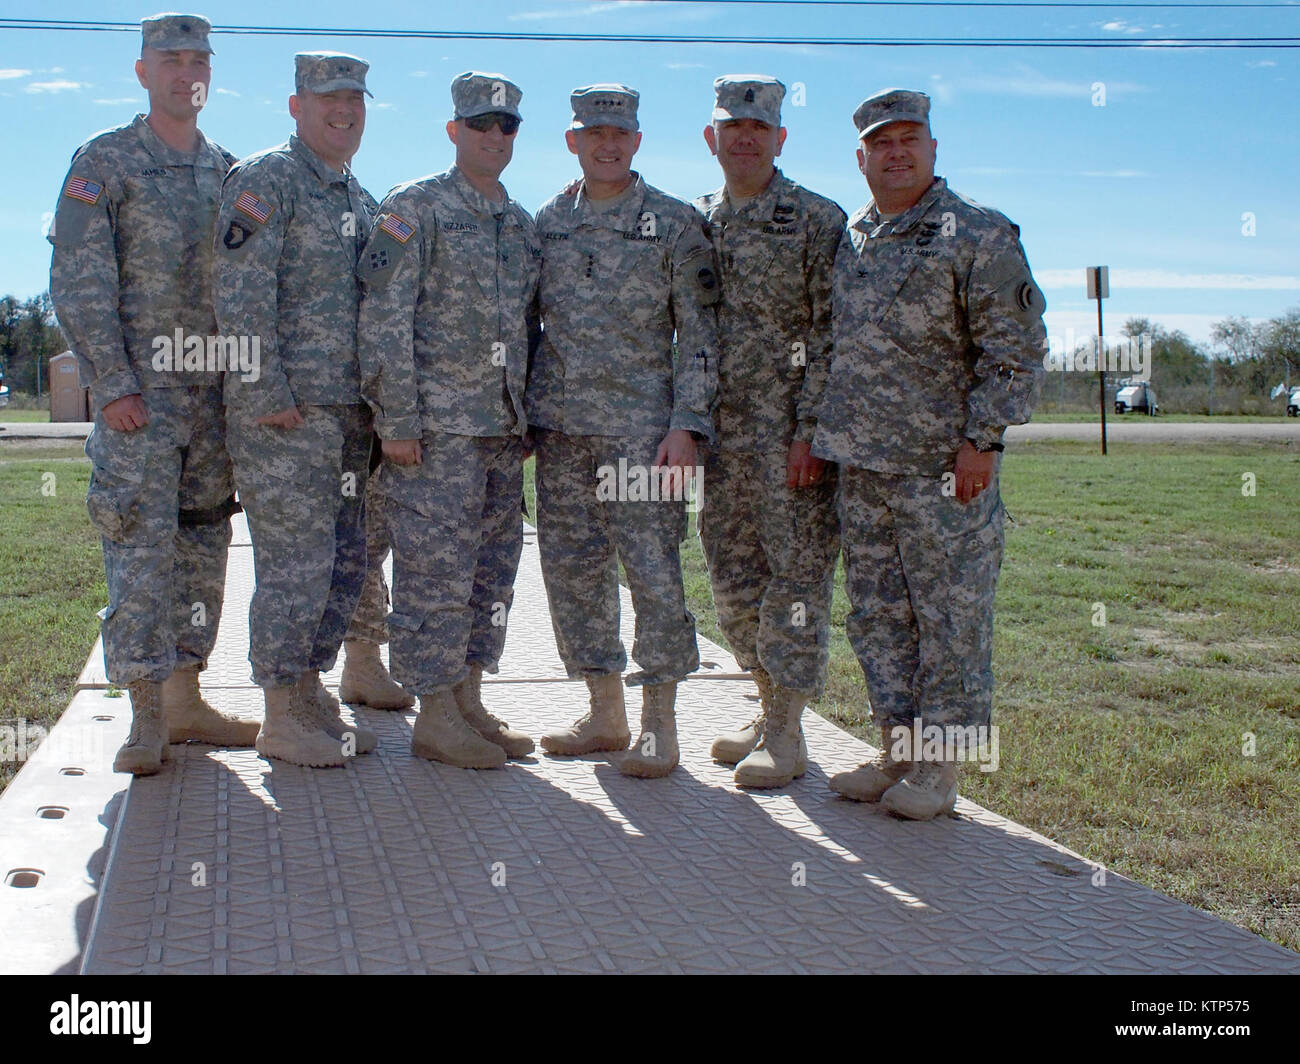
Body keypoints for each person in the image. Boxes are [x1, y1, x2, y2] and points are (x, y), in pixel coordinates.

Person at [813, 89, 1046, 819]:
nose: (896, 153)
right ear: (862, 158)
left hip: (945, 473)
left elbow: (1015, 350)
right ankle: (901, 751)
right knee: (879, 616)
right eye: (881, 143)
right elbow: (835, 349)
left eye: (909, 139)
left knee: (951, 620)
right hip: (865, 468)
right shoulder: (853, 237)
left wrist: (984, 441)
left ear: (933, 149)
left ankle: (943, 773)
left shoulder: (976, 232)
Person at [48, 12, 256, 776]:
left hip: (212, 404)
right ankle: (142, 716)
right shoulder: (105, 160)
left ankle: (186, 698)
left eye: (197, 57)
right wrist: (111, 382)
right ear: (142, 72)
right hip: (139, 403)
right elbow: (77, 274)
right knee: (140, 552)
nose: (184, 70)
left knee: (203, 549)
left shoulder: (231, 172)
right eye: (169, 58)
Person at [531, 84, 720, 779]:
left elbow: (700, 333)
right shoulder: (549, 222)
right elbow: (526, 325)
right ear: (573, 141)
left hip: (644, 436)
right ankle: (603, 710)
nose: (606, 145)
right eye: (592, 134)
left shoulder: (672, 224)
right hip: (563, 433)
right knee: (573, 572)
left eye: (620, 134)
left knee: (651, 573)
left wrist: (689, 425)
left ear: (637, 141)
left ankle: (658, 723)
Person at [357, 71, 539, 769]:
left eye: (507, 126)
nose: (495, 136)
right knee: (434, 573)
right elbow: (383, 312)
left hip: (499, 430)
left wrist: (525, 416)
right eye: (482, 124)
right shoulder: (415, 206)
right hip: (433, 430)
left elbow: (527, 326)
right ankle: (434, 713)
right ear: (454, 130)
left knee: (490, 574)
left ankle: (468, 700)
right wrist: (396, 415)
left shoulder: (518, 224)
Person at [215, 52, 380, 768]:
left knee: (341, 563)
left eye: (353, 100)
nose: (342, 112)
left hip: (348, 419)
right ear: (296, 106)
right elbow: (240, 291)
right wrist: (268, 394)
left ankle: (311, 692)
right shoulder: (266, 180)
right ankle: (279, 713)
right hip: (286, 417)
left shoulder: (357, 197)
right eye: (326, 100)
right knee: (294, 565)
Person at [694, 75, 846, 789]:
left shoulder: (817, 220)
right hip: (721, 443)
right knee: (733, 585)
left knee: (794, 586)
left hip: (790, 441)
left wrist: (810, 430)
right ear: (712, 139)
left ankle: (787, 734)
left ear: (780, 138)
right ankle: (765, 707)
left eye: (759, 128)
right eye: (733, 127)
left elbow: (833, 333)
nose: (745, 138)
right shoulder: (697, 222)